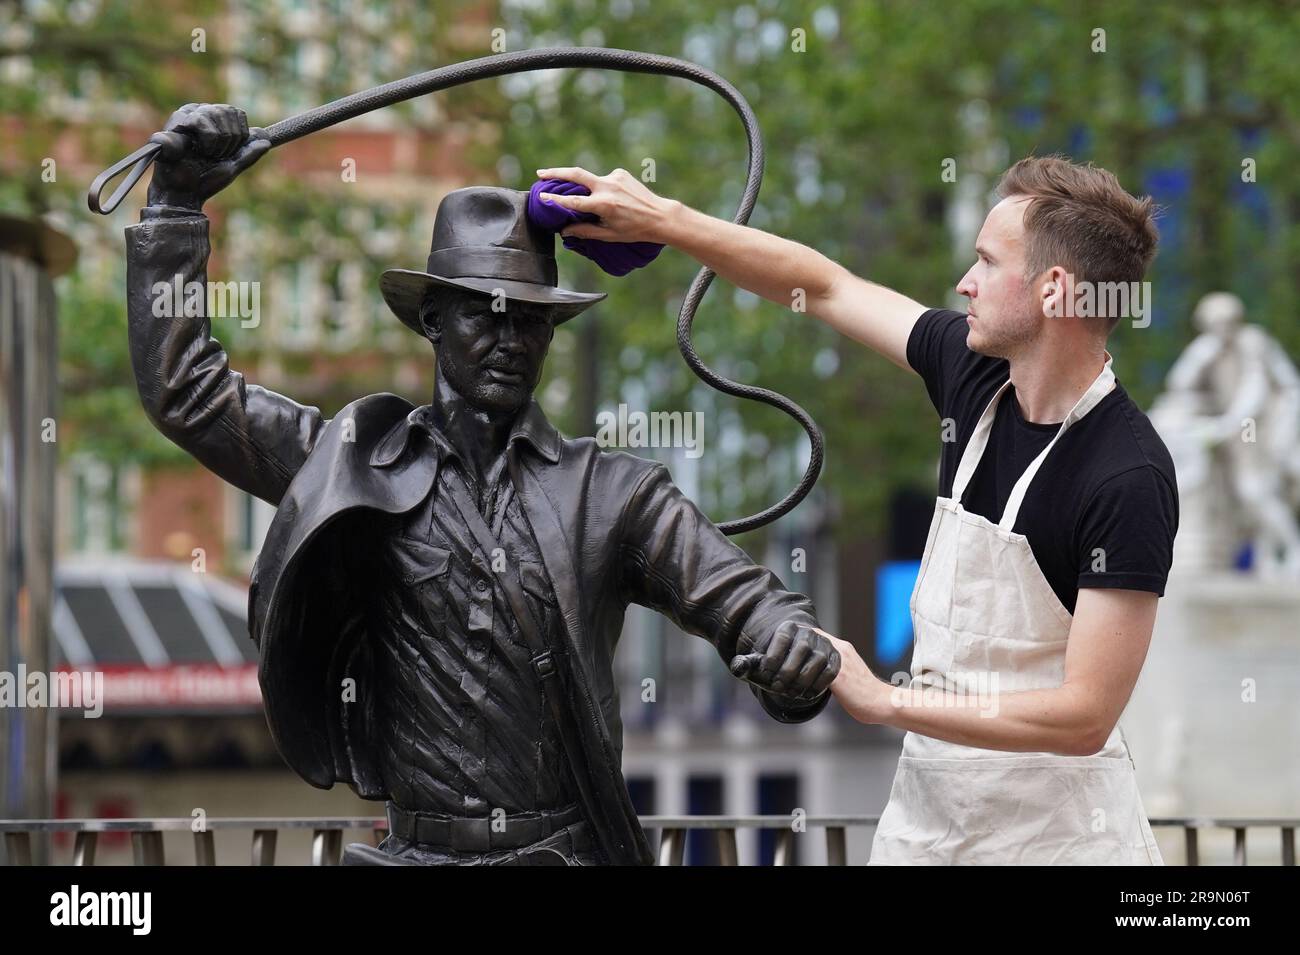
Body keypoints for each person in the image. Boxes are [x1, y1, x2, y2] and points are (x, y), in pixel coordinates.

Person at [125, 103, 841, 866]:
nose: (510, 341)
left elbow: (747, 603)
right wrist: (173, 209)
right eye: (485, 316)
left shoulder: (609, 494)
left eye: (531, 321)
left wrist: (786, 645)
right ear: (433, 320)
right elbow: (189, 393)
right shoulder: (352, 462)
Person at [537, 155, 1177, 864]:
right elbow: (823, 286)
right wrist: (666, 220)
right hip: (928, 827)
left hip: (1059, 842)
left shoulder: (1128, 475)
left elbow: (1085, 715)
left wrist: (884, 700)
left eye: (988, 263)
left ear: (1054, 290)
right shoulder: (972, 372)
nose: (965, 282)